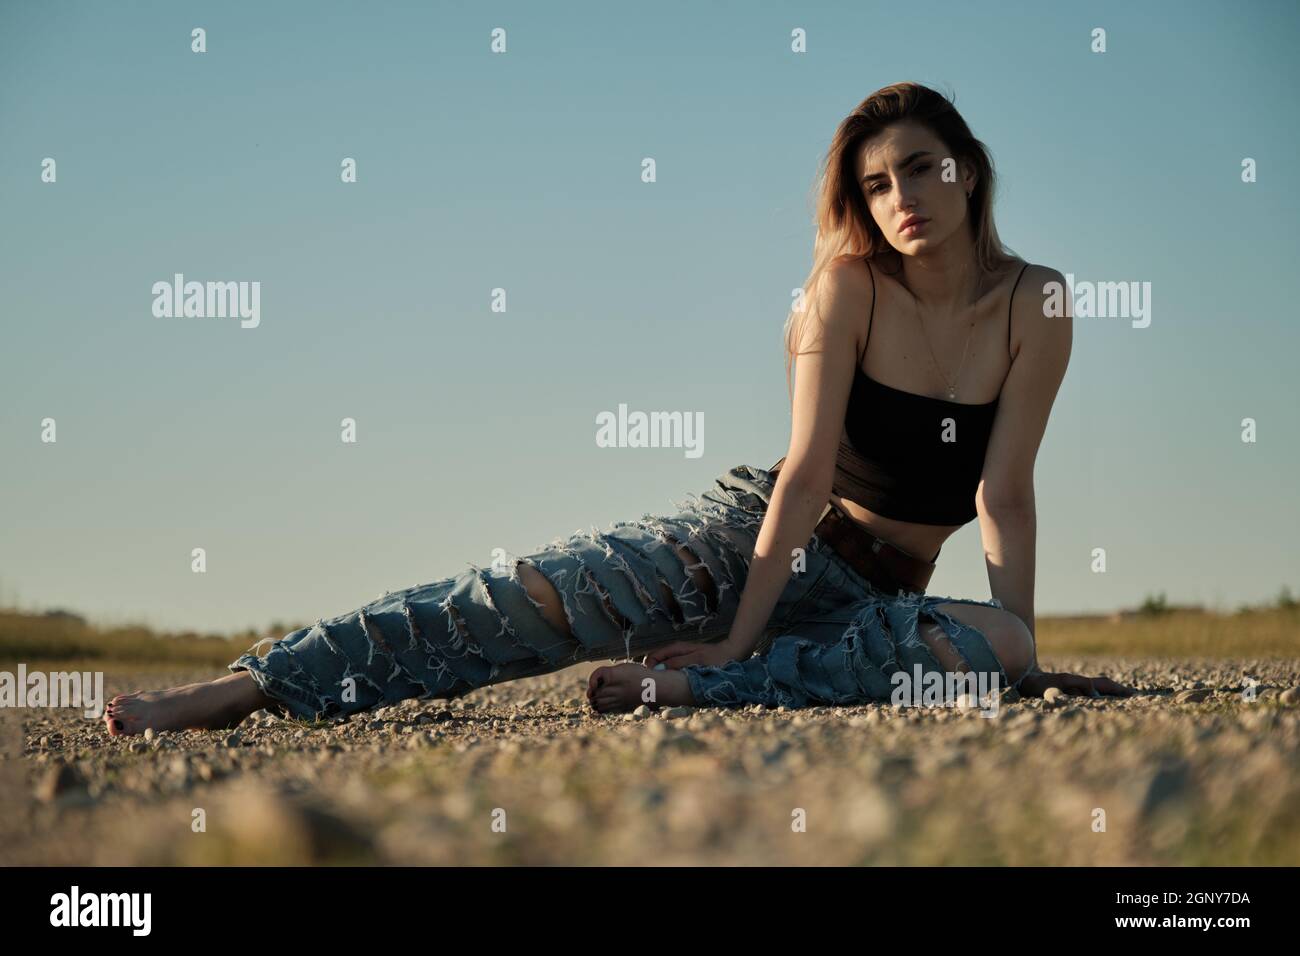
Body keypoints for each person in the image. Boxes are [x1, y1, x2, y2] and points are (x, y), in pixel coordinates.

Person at [105, 82, 1131, 737]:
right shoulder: (847, 290)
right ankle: (251, 686)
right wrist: (734, 634)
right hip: (749, 541)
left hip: (871, 600)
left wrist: (1022, 649)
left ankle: (702, 690)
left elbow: (1003, 489)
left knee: (994, 647)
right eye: (873, 183)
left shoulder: (1033, 300)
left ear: (967, 166)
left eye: (917, 165)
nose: (899, 194)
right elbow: (808, 474)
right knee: (520, 596)